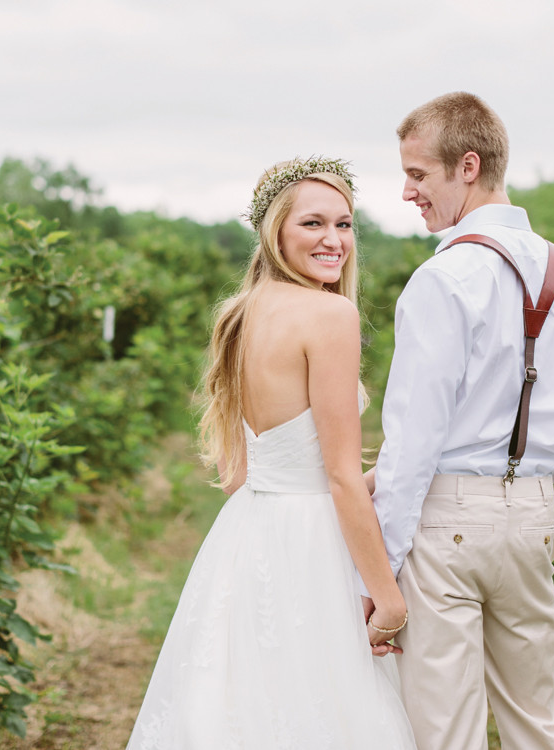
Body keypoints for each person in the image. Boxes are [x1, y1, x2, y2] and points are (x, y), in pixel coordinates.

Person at [125, 156, 416, 750]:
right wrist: (387, 598)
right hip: (310, 545)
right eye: (313, 224)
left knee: (239, 705)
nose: (334, 240)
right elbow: (335, 478)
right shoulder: (331, 314)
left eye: (345, 223)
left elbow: (245, 472)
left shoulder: (240, 313)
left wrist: (372, 476)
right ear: (275, 231)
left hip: (247, 533)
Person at [368, 92, 554, 750]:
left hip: (446, 521)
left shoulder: (442, 280)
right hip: (535, 519)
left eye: (418, 175)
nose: (406, 193)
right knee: (539, 723)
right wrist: (522, 476)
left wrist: (380, 573)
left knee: (445, 731)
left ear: (466, 167)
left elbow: (413, 443)